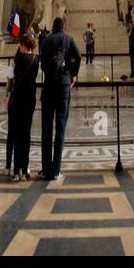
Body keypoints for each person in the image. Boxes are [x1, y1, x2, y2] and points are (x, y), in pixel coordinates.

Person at [38, 17, 81, 181]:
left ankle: (45, 168)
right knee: (61, 127)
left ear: (53, 27)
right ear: (64, 26)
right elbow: (78, 57)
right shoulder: (69, 39)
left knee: (46, 128)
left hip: (49, 85)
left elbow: (42, 63)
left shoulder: (47, 40)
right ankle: (56, 170)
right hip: (64, 86)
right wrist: (72, 74)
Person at [8, 34, 39, 182]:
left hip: (18, 100)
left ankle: (16, 170)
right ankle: (26, 167)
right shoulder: (36, 59)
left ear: (23, 46)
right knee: (26, 134)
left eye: (20, 45)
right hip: (30, 100)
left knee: (17, 136)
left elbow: (14, 67)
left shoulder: (19, 59)